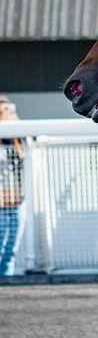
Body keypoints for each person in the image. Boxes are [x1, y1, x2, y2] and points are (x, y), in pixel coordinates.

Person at [0, 96, 23, 276]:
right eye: (8, 111)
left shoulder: (17, 140)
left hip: (15, 200)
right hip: (1, 200)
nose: (12, 115)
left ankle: (8, 282)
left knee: (11, 248)